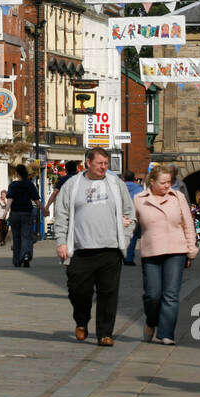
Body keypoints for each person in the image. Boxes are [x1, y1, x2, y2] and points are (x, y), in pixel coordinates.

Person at [53, 147, 136, 347]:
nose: (104, 167)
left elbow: (130, 213)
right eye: (100, 163)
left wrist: (124, 239)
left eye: (106, 164)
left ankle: (105, 333)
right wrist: (61, 241)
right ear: (88, 163)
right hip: (81, 249)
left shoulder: (116, 184)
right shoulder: (73, 185)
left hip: (110, 248)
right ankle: (81, 320)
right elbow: (61, 214)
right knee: (78, 291)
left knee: (109, 293)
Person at [134, 164, 197, 344]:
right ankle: (151, 321)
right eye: (163, 183)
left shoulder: (178, 197)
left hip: (176, 250)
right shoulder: (139, 199)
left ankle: (166, 333)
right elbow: (132, 223)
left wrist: (191, 249)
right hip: (151, 251)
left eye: (169, 182)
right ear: (152, 182)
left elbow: (188, 224)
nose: (167, 186)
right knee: (152, 294)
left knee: (171, 294)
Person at [6, 164, 41, 267]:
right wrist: (43, 209)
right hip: (27, 213)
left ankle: (17, 260)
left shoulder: (13, 185)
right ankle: (26, 255)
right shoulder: (30, 184)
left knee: (16, 237)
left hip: (15, 214)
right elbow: (36, 199)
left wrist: (5, 211)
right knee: (26, 236)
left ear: (16, 173)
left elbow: (10, 199)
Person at [122, 171, 145, 265]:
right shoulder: (139, 188)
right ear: (134, 178)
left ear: (123, 178)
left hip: (121, 213)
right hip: (134, 214)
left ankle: (121, 254)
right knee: (133, 236)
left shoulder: (119, 186)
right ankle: (129, 258)